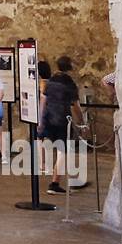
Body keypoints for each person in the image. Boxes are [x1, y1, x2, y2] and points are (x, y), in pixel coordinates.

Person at [40, 55, 82, 194]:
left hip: (48, 117)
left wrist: (41, 119)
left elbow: (43, 101)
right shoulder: (69, 83)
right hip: (62, 119)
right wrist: (81, 121)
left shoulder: (51, 81)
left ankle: (44, 167)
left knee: (50, 144)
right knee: (62, 151)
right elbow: (75, 105)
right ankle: (54, 183)